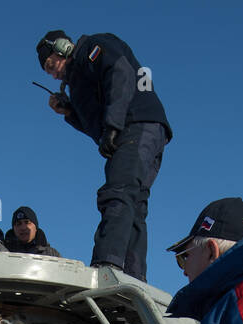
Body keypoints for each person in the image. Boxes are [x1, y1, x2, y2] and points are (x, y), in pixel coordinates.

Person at [37, 29, 171, 281]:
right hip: (145, 129)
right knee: (134, 201)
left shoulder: (93, 48)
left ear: (62, 48)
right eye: (47, 71)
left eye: (50, 64)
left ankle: (106, 266)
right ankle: (132, 276)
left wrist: (114, 125)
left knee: (118, 193)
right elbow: (94, 126)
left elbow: (120, 73)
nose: (52, 73)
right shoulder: (79, 82)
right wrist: (69, 113)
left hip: (136, 123)